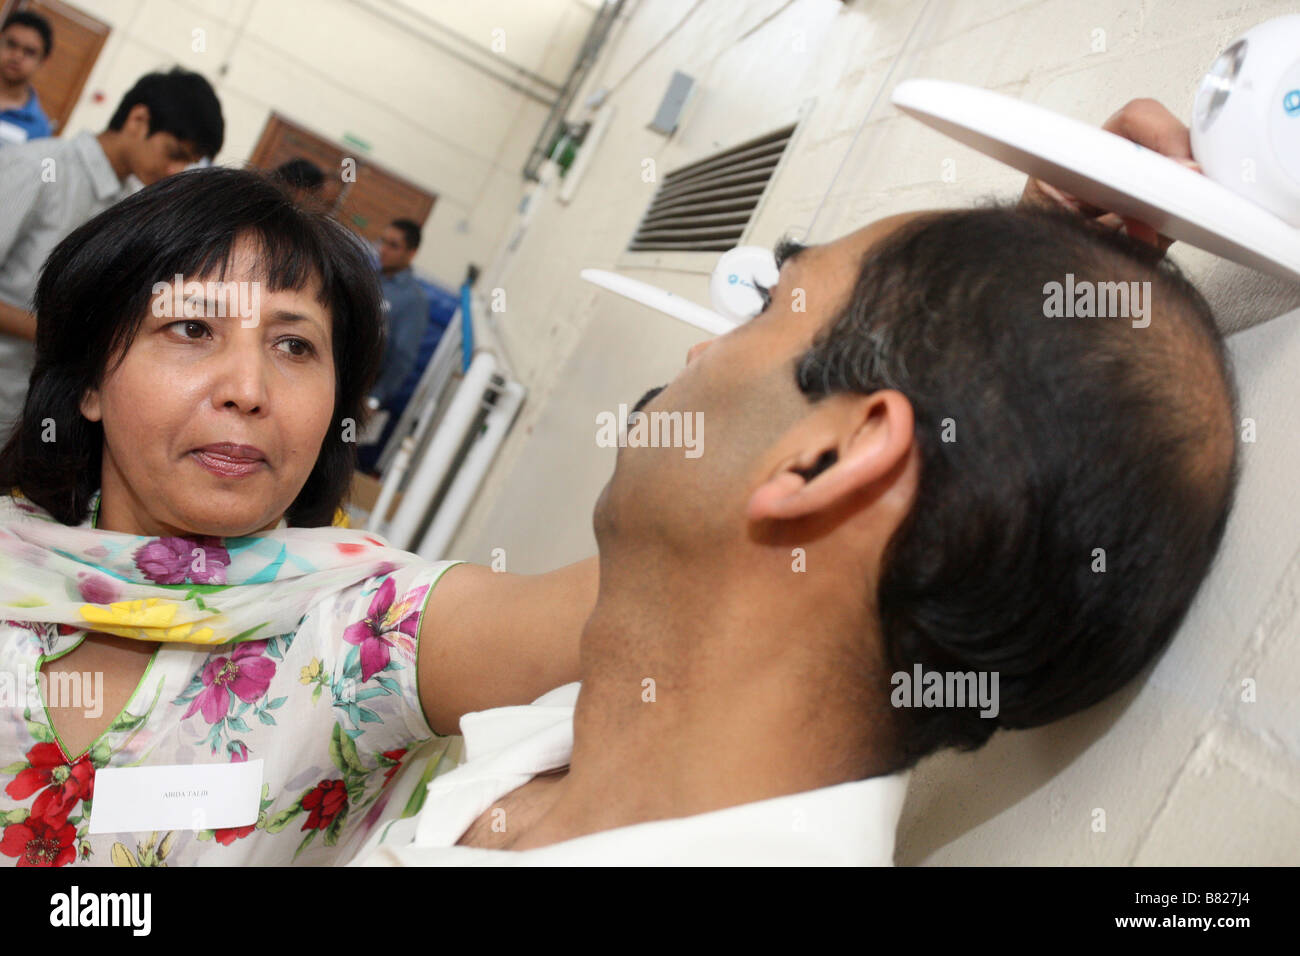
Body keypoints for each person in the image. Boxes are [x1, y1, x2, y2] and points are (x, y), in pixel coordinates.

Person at [352, 102, 1239, 865]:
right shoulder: (607, 717)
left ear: (823, 463)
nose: (702, 350)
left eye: (774, 305)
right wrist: (1013, 297)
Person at [0, 167, 596, 867]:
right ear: (93, 382)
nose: (249, 390)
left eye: (294, 346)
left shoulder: (357, 633)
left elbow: (644, 609)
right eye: (192, 328)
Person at [0, 67, 224, 436]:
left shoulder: (126, 205)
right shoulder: (37, 168)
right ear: (138, 120)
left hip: (29, 408)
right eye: (174, 153)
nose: (175, 170)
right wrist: (69, 338)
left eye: (188, 162)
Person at [371, 219, 431, 413]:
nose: (383, 250)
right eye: (383, 241)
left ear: (411, 253)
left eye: (393, 245)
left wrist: (373, 400)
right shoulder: (369, 278)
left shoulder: (414, 300)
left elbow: (402, 357)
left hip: (360, 388)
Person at [0, 10, 53, 147]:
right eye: (11, 44)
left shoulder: (40, 130)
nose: (17, 56)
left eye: (29, 52)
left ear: (42, 61)